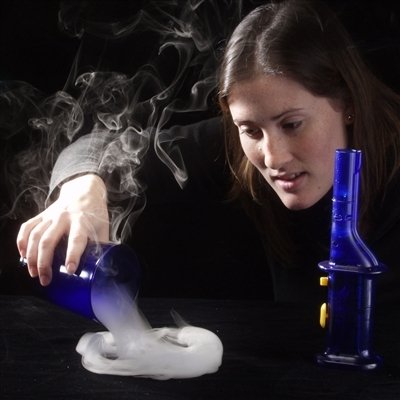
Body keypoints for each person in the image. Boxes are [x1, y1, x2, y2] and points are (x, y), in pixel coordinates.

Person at [16, 0, 400, 303]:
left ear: (348, 102)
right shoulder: (235, 151)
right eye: (251, 130)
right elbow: (103, 147)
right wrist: (82, 189)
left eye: (292, 124)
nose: (273, 158)